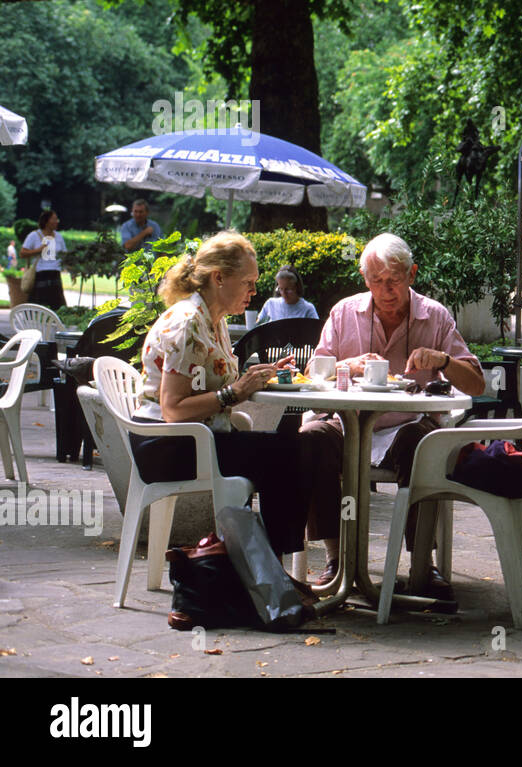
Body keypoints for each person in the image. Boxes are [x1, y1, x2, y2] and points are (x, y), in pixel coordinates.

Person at [301, 233, 485, 595]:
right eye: (376, 281)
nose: (385, 290)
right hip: (346, 422)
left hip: (405, 424)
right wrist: (348, 365)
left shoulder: (434, 316)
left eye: (394, 280)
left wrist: (443, 360)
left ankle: (421, 564)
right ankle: (336, 558)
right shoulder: (344, 313)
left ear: (412, 274)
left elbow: (477, 384)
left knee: (423, 446)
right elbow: (312, 375)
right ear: (364, 279)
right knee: (310, 441)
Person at [130, 231, 310, 556]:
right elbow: (173, 409)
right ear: (219, 278)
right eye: (248, 282)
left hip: (194, 438)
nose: (254, 292)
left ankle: (264, 570)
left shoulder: (214, 320)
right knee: (285, 453)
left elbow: (209, 383)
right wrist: (234, 393)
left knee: (287, 448)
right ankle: (270, 573)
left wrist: (256, 376)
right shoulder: (188, 323)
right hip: (165, 445)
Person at [19, 210, 67, 309]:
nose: (57, 221)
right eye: (54, 219)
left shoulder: (59, 237)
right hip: (40, 275)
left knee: (57, 307)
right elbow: (22, 253)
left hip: (55, 275)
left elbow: (64, 255)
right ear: (46, 221)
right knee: (39, 307)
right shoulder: (34, 236)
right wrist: (38, 250)